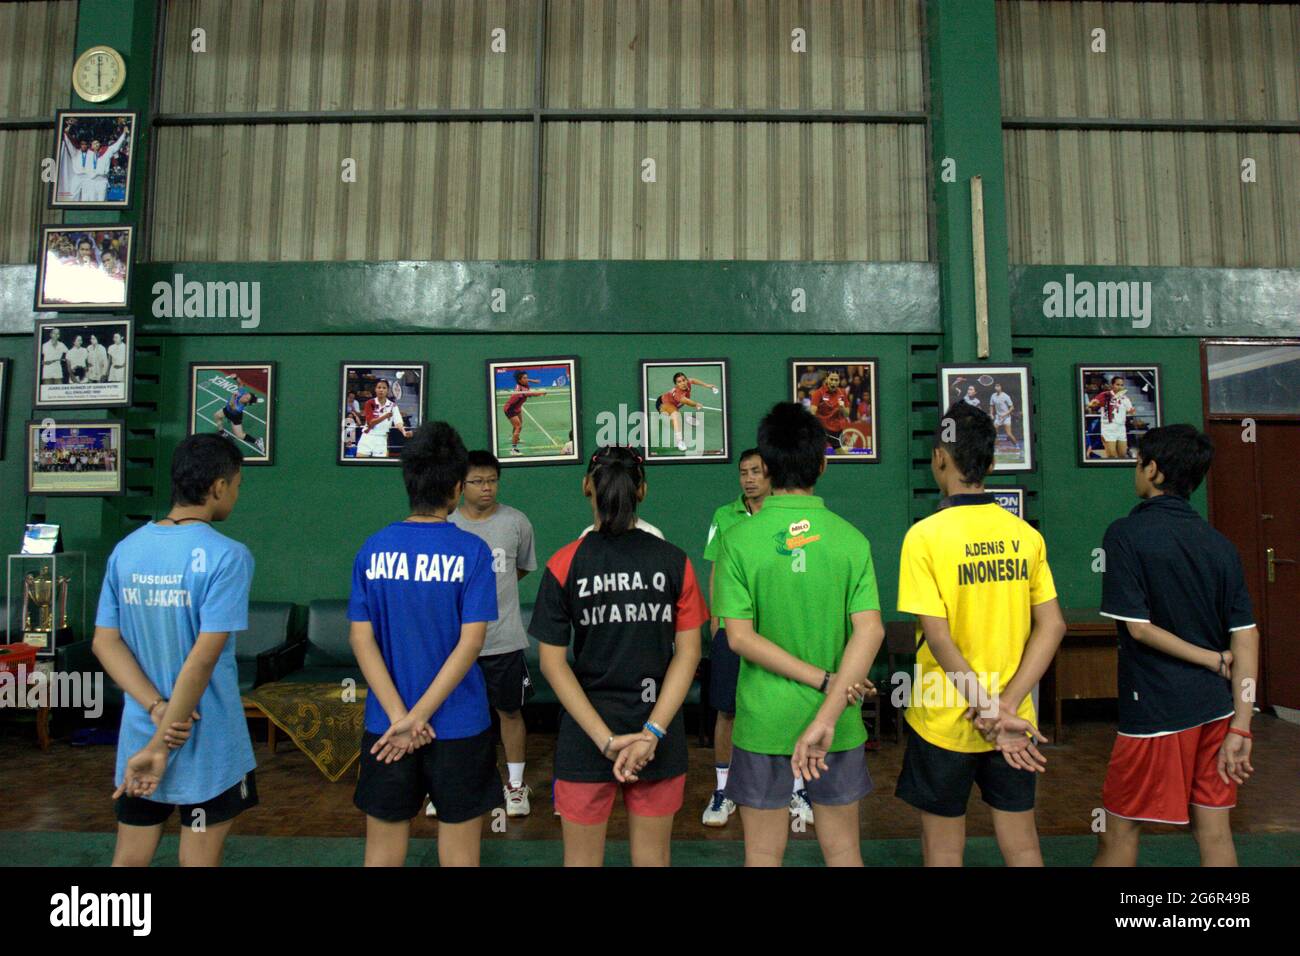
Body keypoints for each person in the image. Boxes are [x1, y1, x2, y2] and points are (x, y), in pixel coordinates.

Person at [713, 403, 885, 866]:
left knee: (763, 856)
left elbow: (740, 638)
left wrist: (822, 680)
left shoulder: (738, 541)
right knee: (845, 853)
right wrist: (830, 697)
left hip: (764, 720)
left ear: (765, 469)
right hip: (838, 722)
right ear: (823, 465)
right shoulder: (851, 539)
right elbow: (870, 630)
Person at [895, 402, 1065, 866]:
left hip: (945, 718)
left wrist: (988, 708)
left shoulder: (924, 537)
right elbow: (1052, 625)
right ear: (990, 464)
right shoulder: (1024, 534)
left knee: (944, 851)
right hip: (1014, 721)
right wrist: (1007, 706)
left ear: (939, 459)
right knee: (1024, 845)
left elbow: (938, 636)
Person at [530, 446, 706, 866]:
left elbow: (552, 663)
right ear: (642, 490)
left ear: (586, 486)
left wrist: (605, 740)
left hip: (586, 735)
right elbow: (689, 654)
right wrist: (653, 734)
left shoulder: (563, 562)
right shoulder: (675, 560)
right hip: (657, 733)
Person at [1094, 425, 1259, 867]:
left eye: (1138, 463)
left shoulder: (1124, 535)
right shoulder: (1221, 546)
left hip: (1155, 714)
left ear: (1154, 471)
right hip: (1219, 713)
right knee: (1216, 834)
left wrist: (1210, 658)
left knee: (1119, 833)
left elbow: (1141, 630)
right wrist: (1241, 724)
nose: (1136, 471)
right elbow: (1247, 636)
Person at [92, 434, 257, 866]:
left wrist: (156, 709)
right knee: (198, 855)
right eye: (237, 485)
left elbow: (105, 642)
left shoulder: (126, 551)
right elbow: (202, 659)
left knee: (129, 858)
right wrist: (167, 738)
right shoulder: (228, 556)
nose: (236, 495)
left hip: (141, 741)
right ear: (219, 487)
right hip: (203, 750)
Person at [348, 421, 503, 867]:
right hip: (458, 726)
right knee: (460, 857)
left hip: (388, 731)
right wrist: (417, 718)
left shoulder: (371, 549)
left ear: (408, 480)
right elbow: (471, 644)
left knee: (381, 855)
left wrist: (401, 719)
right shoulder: (472, 553)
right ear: (457, 489)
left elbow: (361, 640)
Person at [449, 450, 539, 817]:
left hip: (504, 640)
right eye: (477, 481)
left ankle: (515, 786)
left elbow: (521, 570)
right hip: (456, 645)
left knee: (510, 712)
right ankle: (451, 787)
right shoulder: (447, 525)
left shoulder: (517, 522)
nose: (487, 488)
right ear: (460, 485)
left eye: (492, 480)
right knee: (453, 715)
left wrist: (492, 595)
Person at [700, 448, 774, 828]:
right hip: (731, 629)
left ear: (769, 475)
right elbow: (715, 570)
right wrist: (717, 620)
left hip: (774, 632)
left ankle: (793, 788)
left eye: (756, 472)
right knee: (726, 709)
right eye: (743, 472)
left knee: (780, 706)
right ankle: (724, 790)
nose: (749, 479)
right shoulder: (722, 516)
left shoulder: (783, 516)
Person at [654, 371, 717, 453]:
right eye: (679, 382)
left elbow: (693, 380)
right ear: (676, 384)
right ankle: (680, 441)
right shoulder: (678, 394)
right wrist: (696, 404)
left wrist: (707, 385)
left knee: (675, 416)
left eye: (684, 380)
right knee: (675, 416)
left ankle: (684, 420)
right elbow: (687, 401)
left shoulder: (687, 383)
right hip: (663, 404)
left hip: (675, 404)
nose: (683, 383)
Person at [213, 374, 266, 456]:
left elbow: (231, 405)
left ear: (247, 402)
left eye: (247, 398)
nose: (245, 396)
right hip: (226, 410)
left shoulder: (239, 408)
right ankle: (222, 432)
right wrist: (236, 377)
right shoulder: (242, 392)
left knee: (240, 435)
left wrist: (234, 396)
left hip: (235, 416)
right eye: (246, 394)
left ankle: (257, 441)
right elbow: (240, 384)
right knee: (216, 416)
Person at [356, 379, 410, 458]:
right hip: (367, 437)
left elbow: (398, 422)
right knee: (359, 464)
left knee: (379, 467)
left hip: (381, 439)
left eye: (384, 388)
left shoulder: (393, 406)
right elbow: (371, 422)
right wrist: (385, 416)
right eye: (379, 387)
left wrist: (403, 431)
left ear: (387, 390)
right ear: (375, 389)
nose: (381, 390)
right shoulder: (369, 403)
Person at [1089, 375, 1135, 460]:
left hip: (1121, 428)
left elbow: (1130, 410)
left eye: (1122, 385)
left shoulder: (1125, 398)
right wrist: (1093, 403)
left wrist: (1132, 411)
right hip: (1108, 428)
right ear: (1112, 385)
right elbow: (1092, 404)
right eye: (1117, 384)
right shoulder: (1105, 395)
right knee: (1112, 456)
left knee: (1123, 456)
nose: (1120, 387)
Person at [502, 370, 547, 457]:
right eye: (525, 378)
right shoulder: (521, 390)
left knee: (520, 425)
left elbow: (527, 381)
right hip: (510, 409)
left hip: (517, 408)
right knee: (518, 426)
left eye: (527, 377)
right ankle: (513, 450)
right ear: (520, 380)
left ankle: (515, 438)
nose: (527, 379)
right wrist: (542, 392)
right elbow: (533, 394)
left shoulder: (523, 383)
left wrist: (533, 381)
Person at [809, 370, 851, 452]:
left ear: (839, 381)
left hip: (837, 429)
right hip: (822, 429)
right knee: (818, 454)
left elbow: (846, 414)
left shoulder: (842, 393)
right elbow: (812, 412)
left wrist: (842, 407)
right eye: (831, 379)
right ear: (826, 379)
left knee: (843, 455)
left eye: (836, 380)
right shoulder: (818, 393)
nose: (833, 382)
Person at [989, 382, 1018, 448]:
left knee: (1009, 434)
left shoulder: (1006, 396)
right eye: (996, 386)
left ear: (1001, 387)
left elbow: (1012, 407)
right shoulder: (993, 395)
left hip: (1006, 417)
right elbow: (991, 405)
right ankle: (996, 448)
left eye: (998, 386)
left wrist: (1005, 414)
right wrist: (991, 414)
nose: (996, 387)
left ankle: (1017, 445)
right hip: (998, 417)